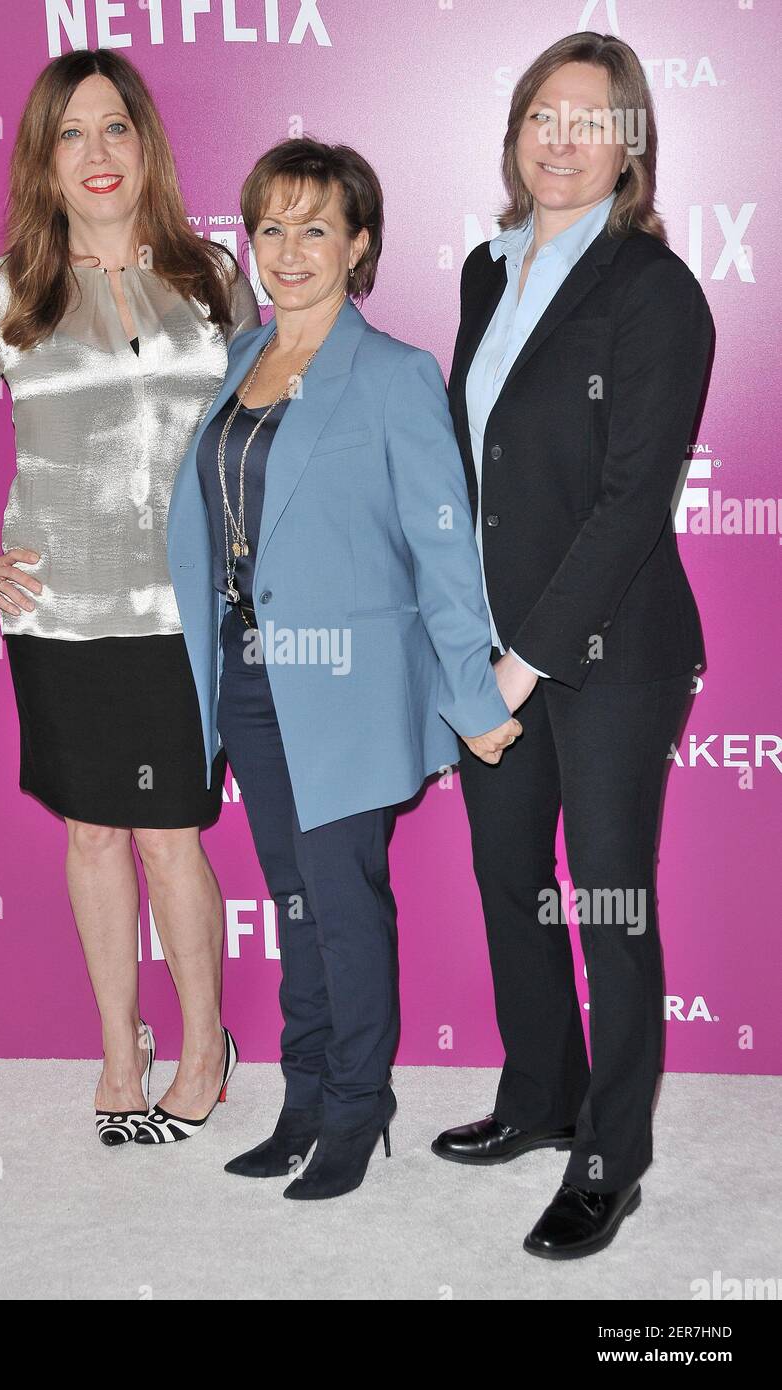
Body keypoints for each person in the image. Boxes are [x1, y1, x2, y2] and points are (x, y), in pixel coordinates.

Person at [0, 49, 259, 1149]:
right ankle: (118, 1049)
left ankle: (205, 1047)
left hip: (184, 617)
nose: (97, 153)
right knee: (95, 833)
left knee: (171, 838)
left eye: (115, 128)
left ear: (147, 145)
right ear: (44, 162)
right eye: (71, 134)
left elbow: (266, 428)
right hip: (62, 617)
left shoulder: (211, 278)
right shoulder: (14, 289)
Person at [161, 137, 521, 1195]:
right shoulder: (241, 359)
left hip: (349, 686)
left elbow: (443, 552)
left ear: (359, 245)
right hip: (249, 677)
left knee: (342, 900)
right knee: (294, 899)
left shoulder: (396, 374)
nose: (288, 249)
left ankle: (359, 1107)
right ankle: (305, 1098)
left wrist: (470, 691)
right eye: (270, 227)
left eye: (315, 227)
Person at [435, 31, 714, 1258]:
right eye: (544, 114)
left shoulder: (655, 291)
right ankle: (539, 1096)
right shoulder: (484, 272)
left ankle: (610, 1155)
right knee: (511, 880)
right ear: (514, 131)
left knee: (605, 898)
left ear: (631, 144)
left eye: (591, 120)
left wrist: (524, 657)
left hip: (611, 651)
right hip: (495, 641)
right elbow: (477, 476)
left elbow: (629, 501)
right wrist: (461, 638)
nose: (561, 139)